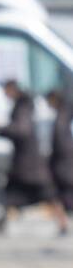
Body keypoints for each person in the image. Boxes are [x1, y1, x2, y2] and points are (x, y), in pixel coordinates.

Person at [0, 79, 67, 232]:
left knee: (47, 193)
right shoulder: (25, 104)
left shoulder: (23, 106)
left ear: (12, 89)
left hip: (29, 162)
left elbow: (22, 130)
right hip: (27, 161)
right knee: (13, 193)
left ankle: (62, 222)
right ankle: (1, 224)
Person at [46, 87, 73, 230]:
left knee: (57, 194)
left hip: (64, 164)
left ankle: (63, 223)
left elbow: (61, 143)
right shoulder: (63, 114)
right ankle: (62, 223)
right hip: (63, 163)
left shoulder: (62, 116)